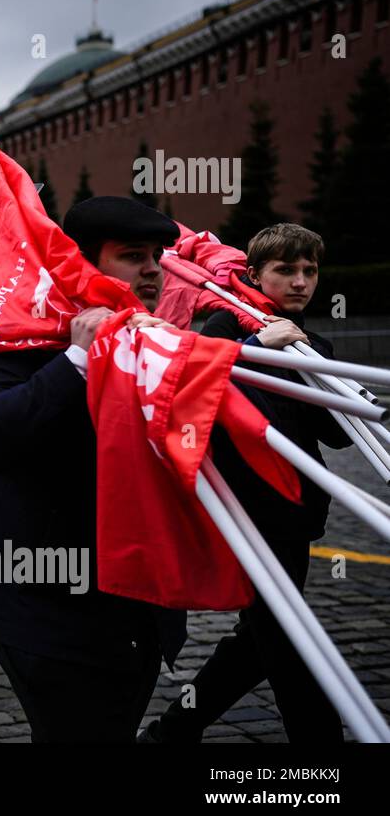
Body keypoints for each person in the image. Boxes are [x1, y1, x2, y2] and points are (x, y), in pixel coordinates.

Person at [0, 196, 188, 742]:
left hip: (137, 614)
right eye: (133, 255)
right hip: (51, 612)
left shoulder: (158, 339)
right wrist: (75, 361)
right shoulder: (22, 338)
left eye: (158, 255)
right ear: (83, 264)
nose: (154, 268)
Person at [141, 222, 351, 743]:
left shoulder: (309, 341)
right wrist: (257, 344)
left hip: (294, 512)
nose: (300, 281)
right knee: (289, 641)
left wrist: (306, 364)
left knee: (259, 641)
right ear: (254, 274)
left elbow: (337, 433)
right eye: (286, 270)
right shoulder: (220, 328)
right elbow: (190, 392)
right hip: (244, 513)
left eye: (309, 270)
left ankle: (170, 734)